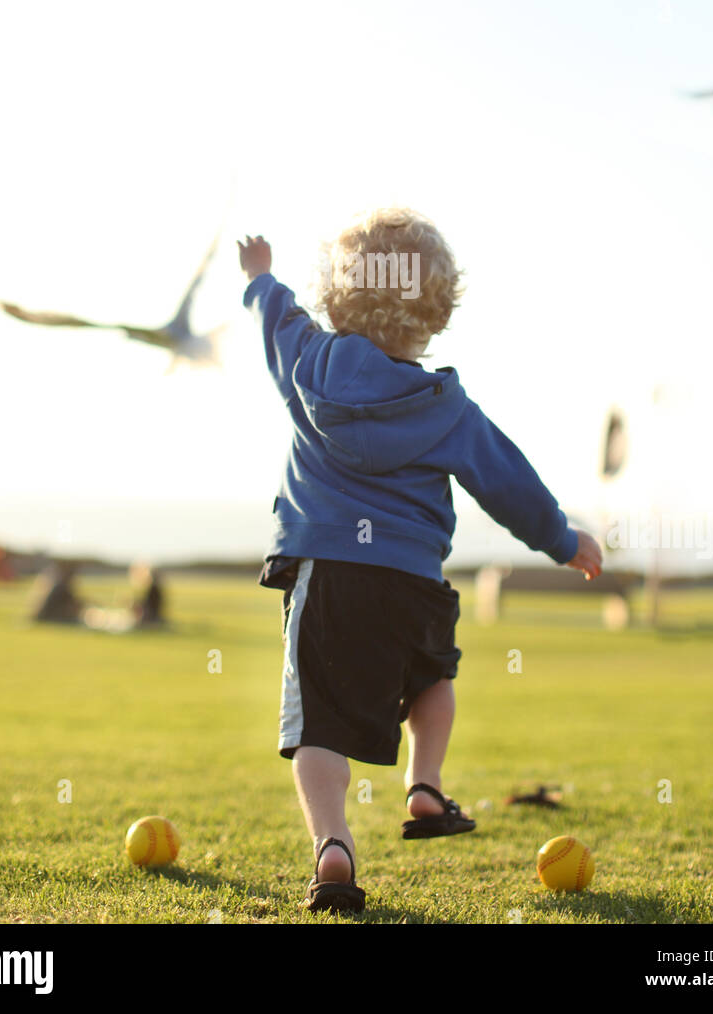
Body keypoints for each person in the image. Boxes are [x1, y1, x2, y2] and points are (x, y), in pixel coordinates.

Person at [238, 209, 602, 915]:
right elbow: (507, 482)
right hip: (413, 581)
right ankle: (426, 785)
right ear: (434, 312)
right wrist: (561, 538)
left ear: (338, 296)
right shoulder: (446, 405)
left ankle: (333, 846)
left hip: (330, 574)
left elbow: (274, 318)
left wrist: (259, 279)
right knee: (433, 677)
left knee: (317, 726)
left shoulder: (308, 363)